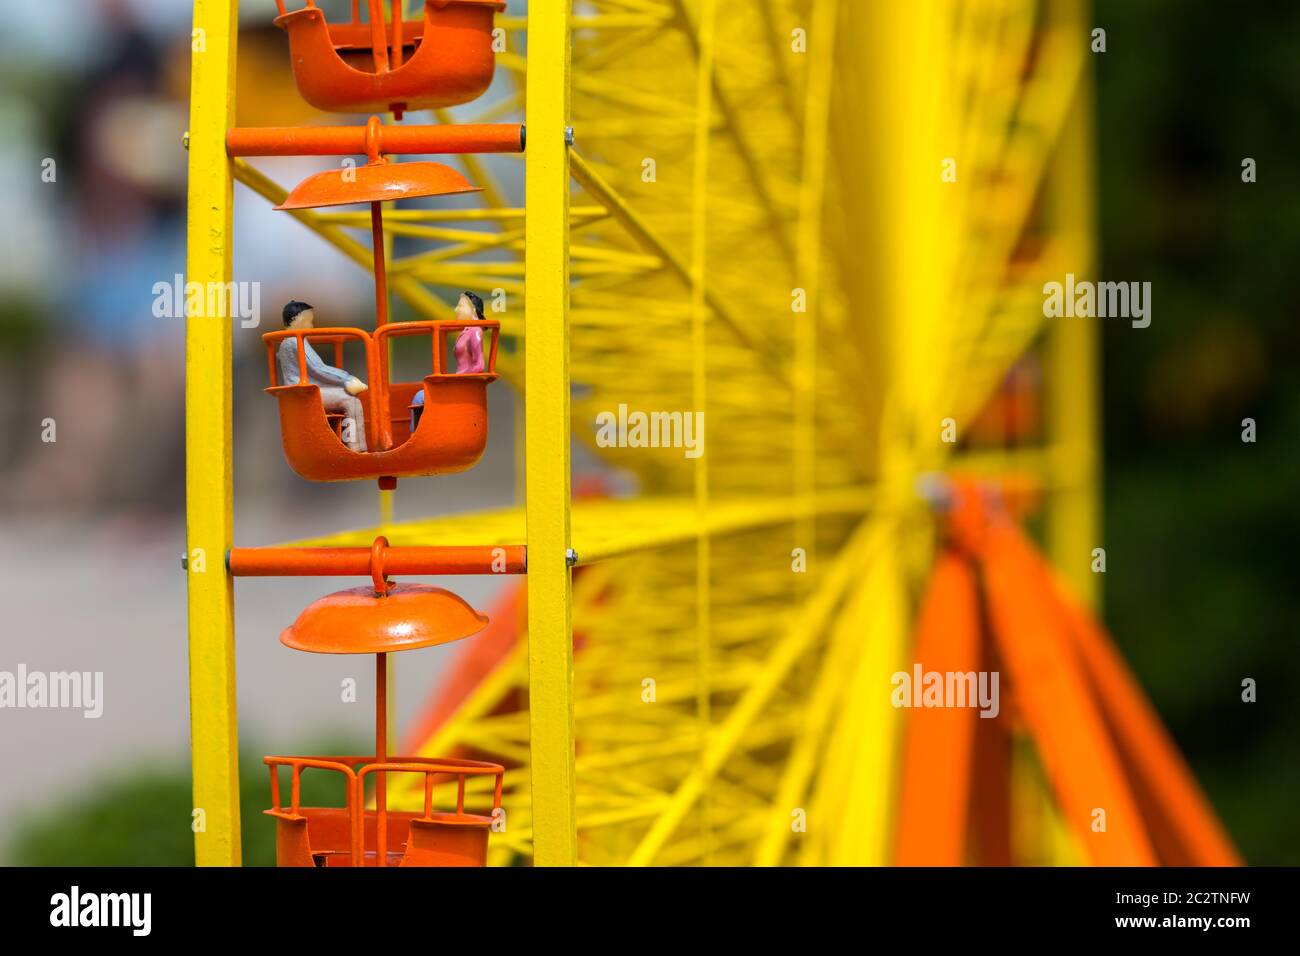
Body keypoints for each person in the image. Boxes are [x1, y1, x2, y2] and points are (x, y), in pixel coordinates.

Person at [277, 301, 368, 452]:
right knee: (350, 400)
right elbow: (318, 368)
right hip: (306, 394)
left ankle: (351, 444)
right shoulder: (295, 342)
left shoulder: (288, 342)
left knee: (344, 395)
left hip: (302, 392)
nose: (311, 326)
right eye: (309, 322)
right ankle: (355, 447)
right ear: (296, 320)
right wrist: (347, 379)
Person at [410, 292, 487, 432]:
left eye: (460, 306)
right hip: (458, 384)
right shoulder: (466, 332)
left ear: (473, 310)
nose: (456, 309)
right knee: (419, 396)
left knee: (419, 397)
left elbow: (480, 364)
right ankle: (421, 431)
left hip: (461, 386)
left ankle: (417, 433)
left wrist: (457, 380)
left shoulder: (475, 332)